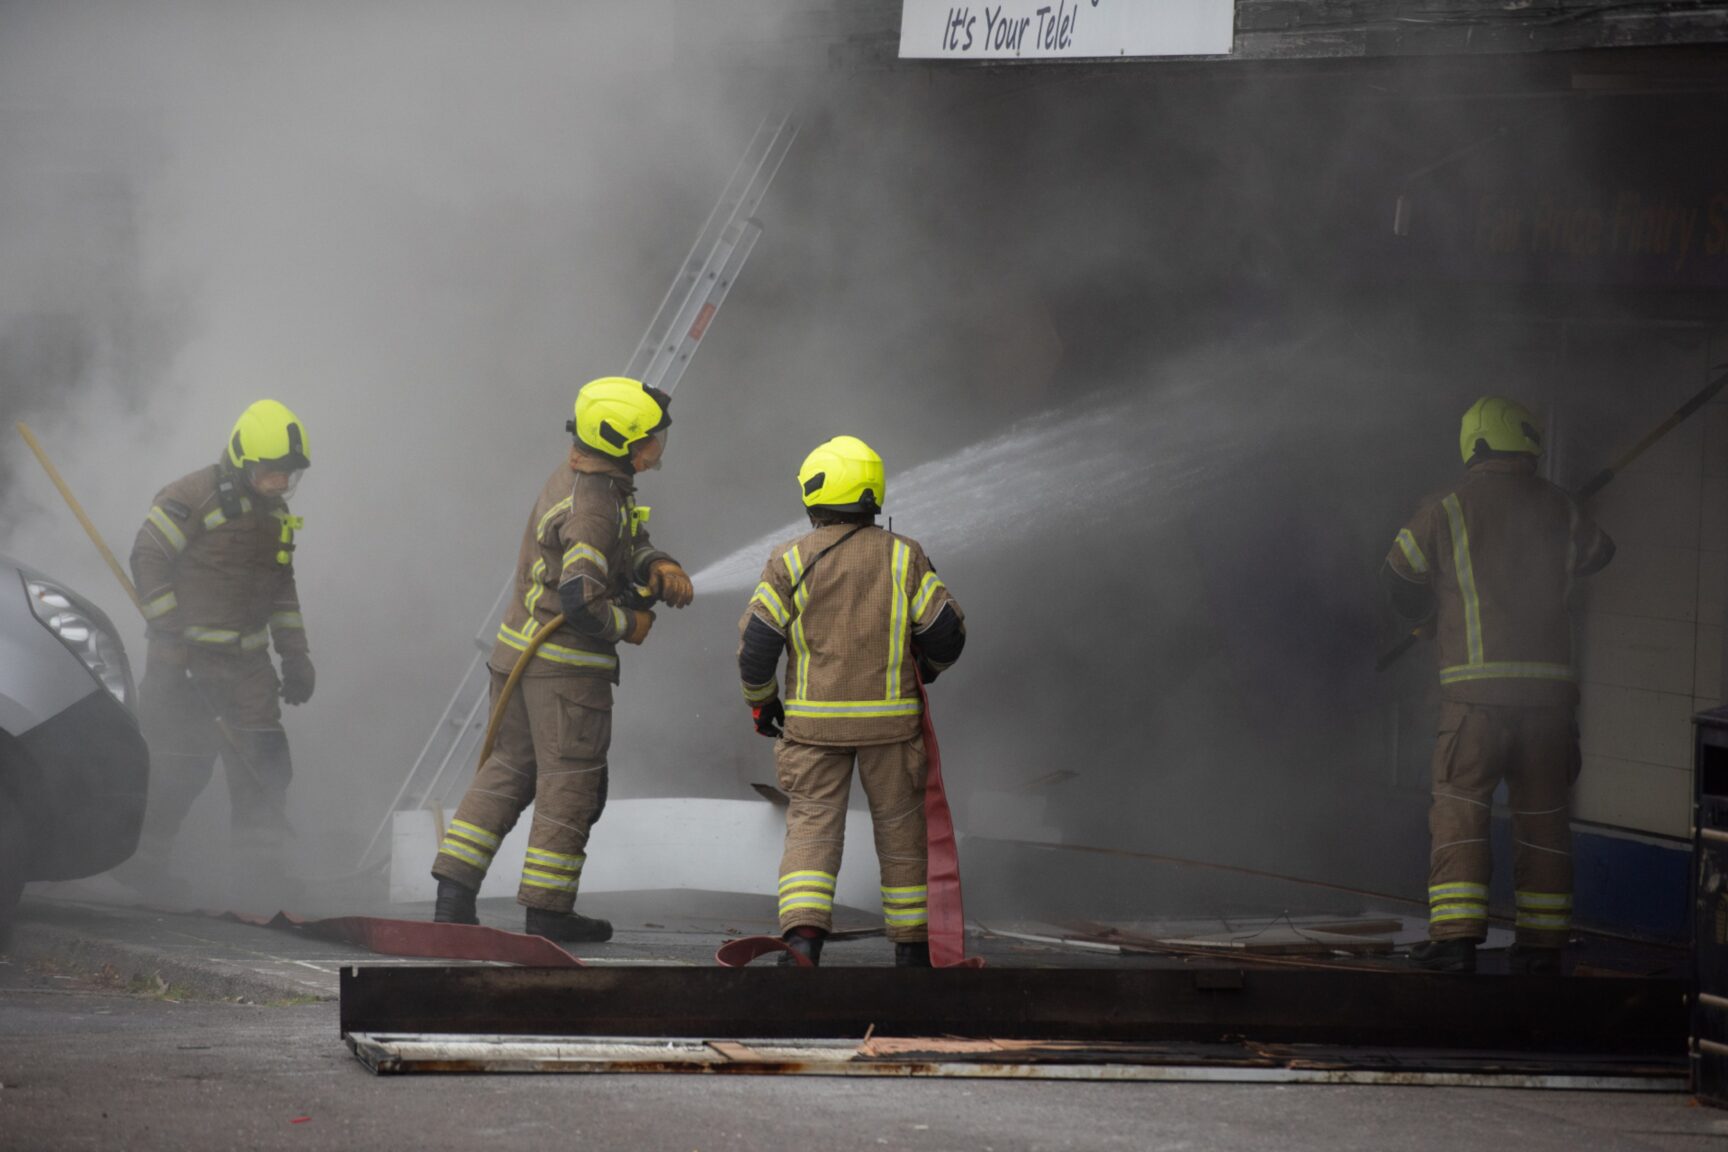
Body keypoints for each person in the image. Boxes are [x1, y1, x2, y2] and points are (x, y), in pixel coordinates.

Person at [430, 376, 693, 942]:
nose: (660, 445)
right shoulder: (597, 502)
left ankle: (452, 898)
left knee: (507, 770)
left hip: (521, 658)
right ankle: (548, 913)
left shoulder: (589, 480)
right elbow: (580, 596)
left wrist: (657, 563)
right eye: (652, 437)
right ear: (622, 441)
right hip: (566, 673)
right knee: (571, 785)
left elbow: (617, 546)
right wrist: (631, 624)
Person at [1383, 396, 1615, 974]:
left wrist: (1423, 623)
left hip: (1475, 702)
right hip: (1549, 704)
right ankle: (1542, 948)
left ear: (1474, 443)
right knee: (1544, 819)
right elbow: (1599, 554)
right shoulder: (1562, 508)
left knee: (1461, 813)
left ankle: (1457, 941)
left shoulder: (1445, 508)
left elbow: (1399, 574)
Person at [737, 435, 966, 967]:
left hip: (813, 728)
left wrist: (763, 702)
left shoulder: (788, 560)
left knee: (813, 823)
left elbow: (757, 645)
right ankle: (912, 951)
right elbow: (947, 635)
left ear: (813, 496)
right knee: (902, 827)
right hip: (892, 727)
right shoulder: (903, 557)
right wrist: (922, 674)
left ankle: (801, 944)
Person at [125, 399, 314, 900]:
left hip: (249, 666)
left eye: (288, 476)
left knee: (266, 761)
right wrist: (167, 634)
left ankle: (259, 877)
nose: (280, 484)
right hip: (184, 664)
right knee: (180, 767)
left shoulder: (275, 514)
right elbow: (148, 556)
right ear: (241, 460)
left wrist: (295, 655)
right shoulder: (192, 496)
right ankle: (143, 865)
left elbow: (281, 588)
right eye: (272, 473)